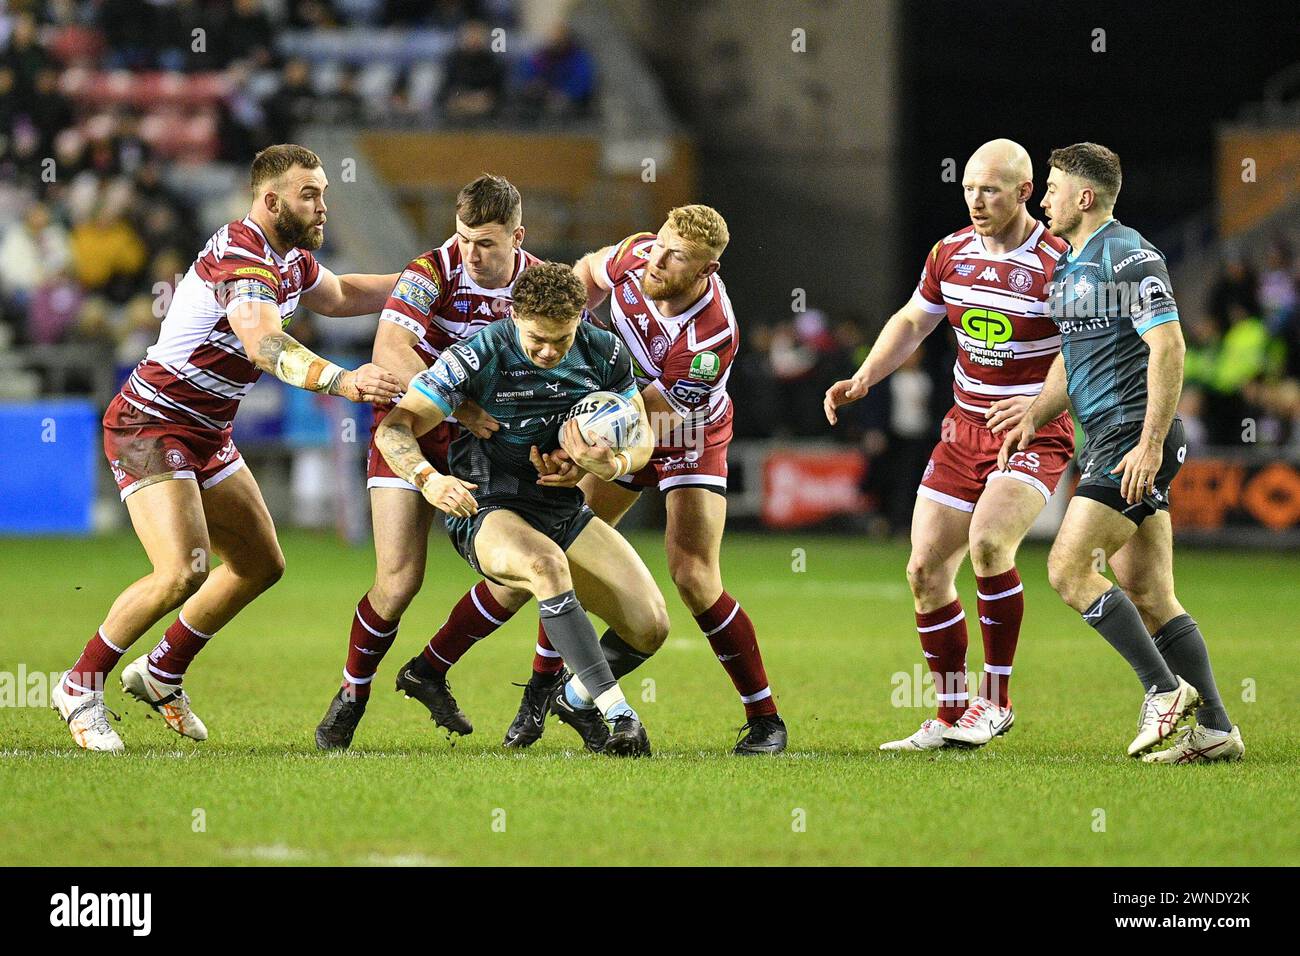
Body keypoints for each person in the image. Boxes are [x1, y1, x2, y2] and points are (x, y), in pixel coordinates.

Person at [52, 144, 403, 752]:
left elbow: (342, 294)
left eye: (323, 191)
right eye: (310, 195)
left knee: (261, 564)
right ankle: (79, 686)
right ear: (272, 202)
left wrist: (428, 282)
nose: (323, 206)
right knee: (180, 572)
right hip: (151, 423)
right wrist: (345, 382)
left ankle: (162, 671)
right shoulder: (243, 258)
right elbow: (266, 345)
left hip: (207, 432)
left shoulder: (289, 257)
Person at [435, 205, 788, 755]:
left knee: (693, 577)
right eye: (661, 245)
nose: (659, 260)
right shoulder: (638, 254)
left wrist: (581, 439)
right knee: (552, 548)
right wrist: (562, 338)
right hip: (604, 425)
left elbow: (650, 416)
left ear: (707, 272)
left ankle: (764, 718)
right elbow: (585, 277)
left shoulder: (711, 335)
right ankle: (538, 695)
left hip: (682, 435)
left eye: (677, 258)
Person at [1000, 142, 1244, 762]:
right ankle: (1215, 726)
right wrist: (1034, 415)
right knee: (1150, 592)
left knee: (1066, 568)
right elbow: (1072, 357)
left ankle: (1163, 691)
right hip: (1111, 438)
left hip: (1131, 438)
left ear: (1085, 197)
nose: (1044, 197)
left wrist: (1149, 444)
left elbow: (1170, 346)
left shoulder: (1129, 255)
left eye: (1052, 187)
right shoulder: (1069, 265)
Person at [825, 140, 1072, 751]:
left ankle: (996, 702)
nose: (976, 200)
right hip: (964, 432)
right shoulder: (950, 252)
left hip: (1034, 431)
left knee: (990, 544)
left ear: (1023, 192)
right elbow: (913, 320)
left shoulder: (1061, 263)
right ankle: (949, 712)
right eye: (967, 188)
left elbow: (1078, 350)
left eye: (990, 189)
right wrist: (865, 377)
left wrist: (1038, 407)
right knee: (925, 571)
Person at [374, 262, 665, 757]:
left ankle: (572, 699)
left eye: (562, 339)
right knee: (544, 566)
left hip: (558, 505)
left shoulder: (604, 351)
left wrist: (606, 464)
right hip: (486, 503)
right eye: (537, 340)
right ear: (513, 315)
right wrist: (429, 479)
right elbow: (393, 430)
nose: (550, 352)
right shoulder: (478, 354)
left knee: (650, 625)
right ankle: (620, 715)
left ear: (580, 321)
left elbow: (641, 434)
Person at [313, 174, 539, 750]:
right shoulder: (430, 271)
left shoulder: (536, 284)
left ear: (519, 236)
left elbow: (558, 355)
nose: (472, 253)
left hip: (484, 439)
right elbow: (389, 350)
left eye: (487, 243)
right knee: (399, 581)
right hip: (410, 425)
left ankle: (430, 670)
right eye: (464, 238)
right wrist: (457, 404)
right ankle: (351, 697)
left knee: (522, 575)